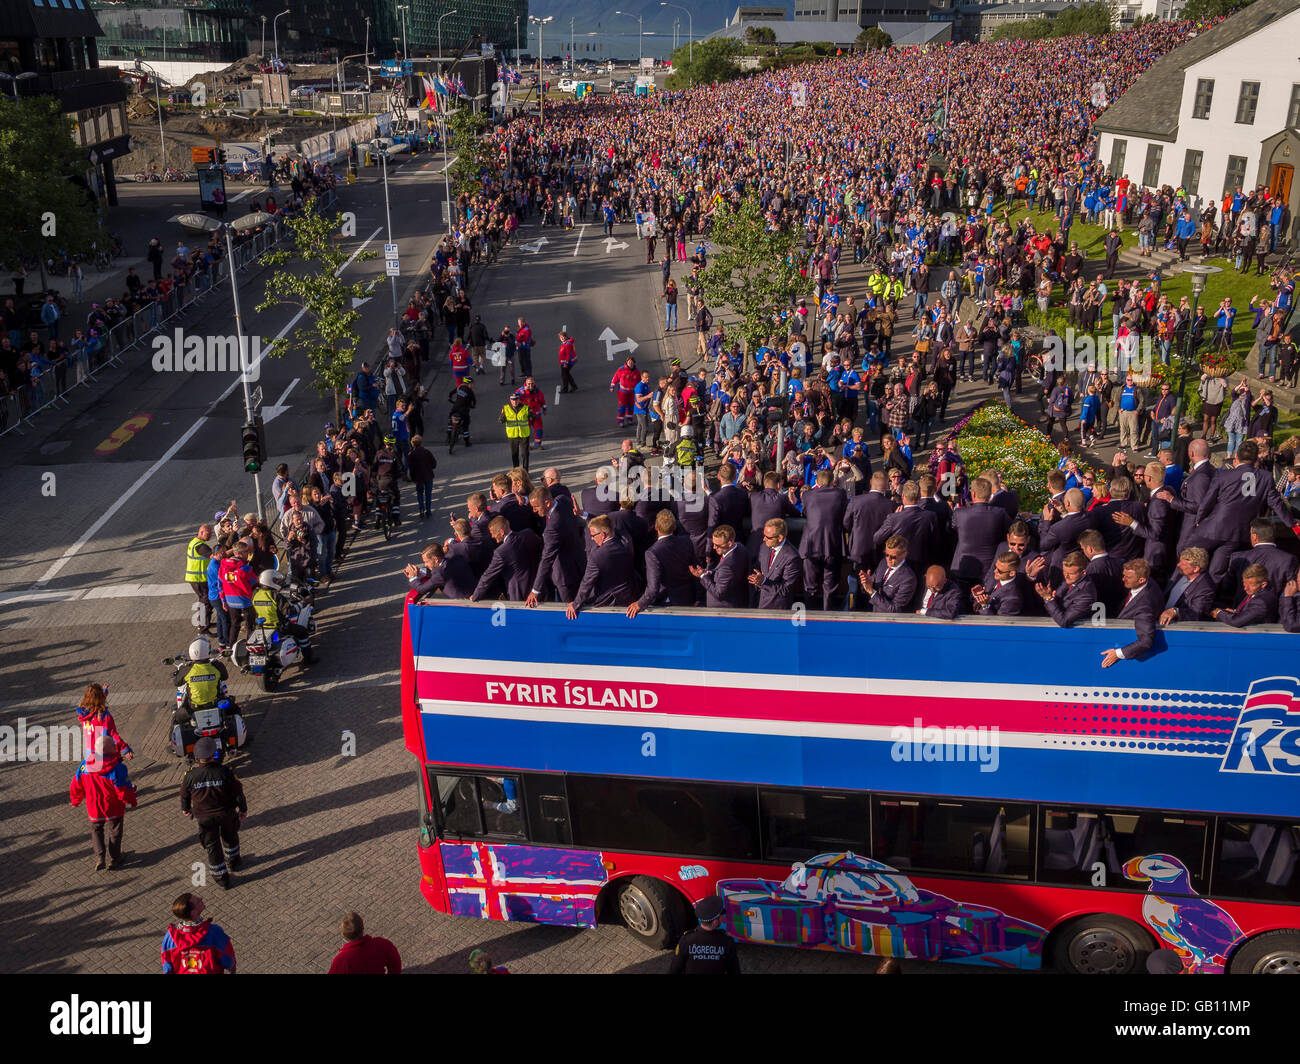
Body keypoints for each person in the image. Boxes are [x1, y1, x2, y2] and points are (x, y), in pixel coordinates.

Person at [180, 736, 247, 890]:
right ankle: (234, 862)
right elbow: (238, 793)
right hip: (226, 814)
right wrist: (243, 809)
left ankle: (221, 878)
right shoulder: (225, 772)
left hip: (204, 817)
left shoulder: (189, 776)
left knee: (212, 846)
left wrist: (185, 808)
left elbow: (184, 795)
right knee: (230, 838)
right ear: (213, 754)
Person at [69, 735, 137, 870]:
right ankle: (115, 858)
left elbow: (76, 784)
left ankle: (100, 857)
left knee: (96, 830)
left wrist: (76, 800)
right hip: (113, 807)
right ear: (111, 749)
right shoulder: (118, 768)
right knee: (115, 831)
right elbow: (123, 789)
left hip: (94, 807)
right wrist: (132, 799)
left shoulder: (85, 765)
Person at [1101, 559, 1165, 667]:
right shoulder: (1148, 582)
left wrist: (1118, 654)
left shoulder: (1144, 606)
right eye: (1123, 575)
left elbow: (1146, 642)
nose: (1123, 579)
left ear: (1141, 580)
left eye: (1128, 577)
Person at [161, 893, 236, 974]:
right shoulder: (214, 932)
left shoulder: (170, 936)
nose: (201, 899)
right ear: (193, 912)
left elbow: (167, 965)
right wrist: (232, 969)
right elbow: (227, 958)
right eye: (197, 901)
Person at [668, 896, 740, 974]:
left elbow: (674, 970)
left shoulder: (686, 940)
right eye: (721, 915)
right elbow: (734, 971)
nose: (723, 917)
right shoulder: (727, 942)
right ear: (715, 922)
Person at [749, 518, 803, 610]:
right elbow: (757, 571)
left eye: (768, 537)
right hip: (758, 605)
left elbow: (785, 590)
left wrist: (764, 582)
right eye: (764, 535)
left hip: (777, 610)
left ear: (780, 538)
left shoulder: (792, 557)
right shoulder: (764, 547)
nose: (764, 539)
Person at [691, 525, 750, 608]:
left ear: (730, 543)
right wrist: (711, 572)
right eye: (713, 544)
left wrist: (702, 576)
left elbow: (718, 593)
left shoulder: (727, 566)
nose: (714, 548)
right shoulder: (740, 547)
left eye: (717, 545)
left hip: (722, 610)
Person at [327, 912, 403, 974]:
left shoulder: (341, 960)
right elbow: (395, 965)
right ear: (363, 928)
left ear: (343, 934)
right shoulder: (382, 944)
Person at [1159, 547, 1216, 625]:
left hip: (1174, 625)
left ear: (1196, 569)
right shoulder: (1182, 572)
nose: (1178, 565)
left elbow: (1196, 614)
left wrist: (1176, 611)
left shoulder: (1205, 589)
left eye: (1183, 564)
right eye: (1179, 561)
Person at [860, 535, 917, 613]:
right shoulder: (883, 563)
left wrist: (871, 591)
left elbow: (895, 609)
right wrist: (868, 582)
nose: (888, 559)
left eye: (893, 557)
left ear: (904, 554)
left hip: (891, 622)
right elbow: (871, 586)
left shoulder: (908, 578)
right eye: (886, 555)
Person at [1212, 563, 1278, 627]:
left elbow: (1236, 621)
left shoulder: (1261, 602)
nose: (1245, 588)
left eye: (1251, 585)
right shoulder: (1256, 591)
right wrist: (1235, 612)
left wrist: (1219, 613)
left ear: (1263, 584)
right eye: (1244, 584)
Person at [408, 434, 437, 519]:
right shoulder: (427, 452)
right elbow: (434, 464)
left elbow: (411, 468)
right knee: (428, 494)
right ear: (421, 443)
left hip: (418, 478)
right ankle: (428, 511)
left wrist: (413, 478)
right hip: (428, 476)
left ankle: (421, 509)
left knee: (420, 493)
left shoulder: (411, 454)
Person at [500, 392, 531, 470]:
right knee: (514, 454)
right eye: (513, 400)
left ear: (519, 399)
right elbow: (501, 419)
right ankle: (516, 472)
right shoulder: (505, 408)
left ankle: (525, 472)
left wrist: (532, 416)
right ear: (510, 400)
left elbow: (532, 417)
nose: (515, 401)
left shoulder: (526, 407)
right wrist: (502, 419)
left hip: (524, 434)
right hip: (512, 435)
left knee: (525, 454)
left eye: (516, 399)